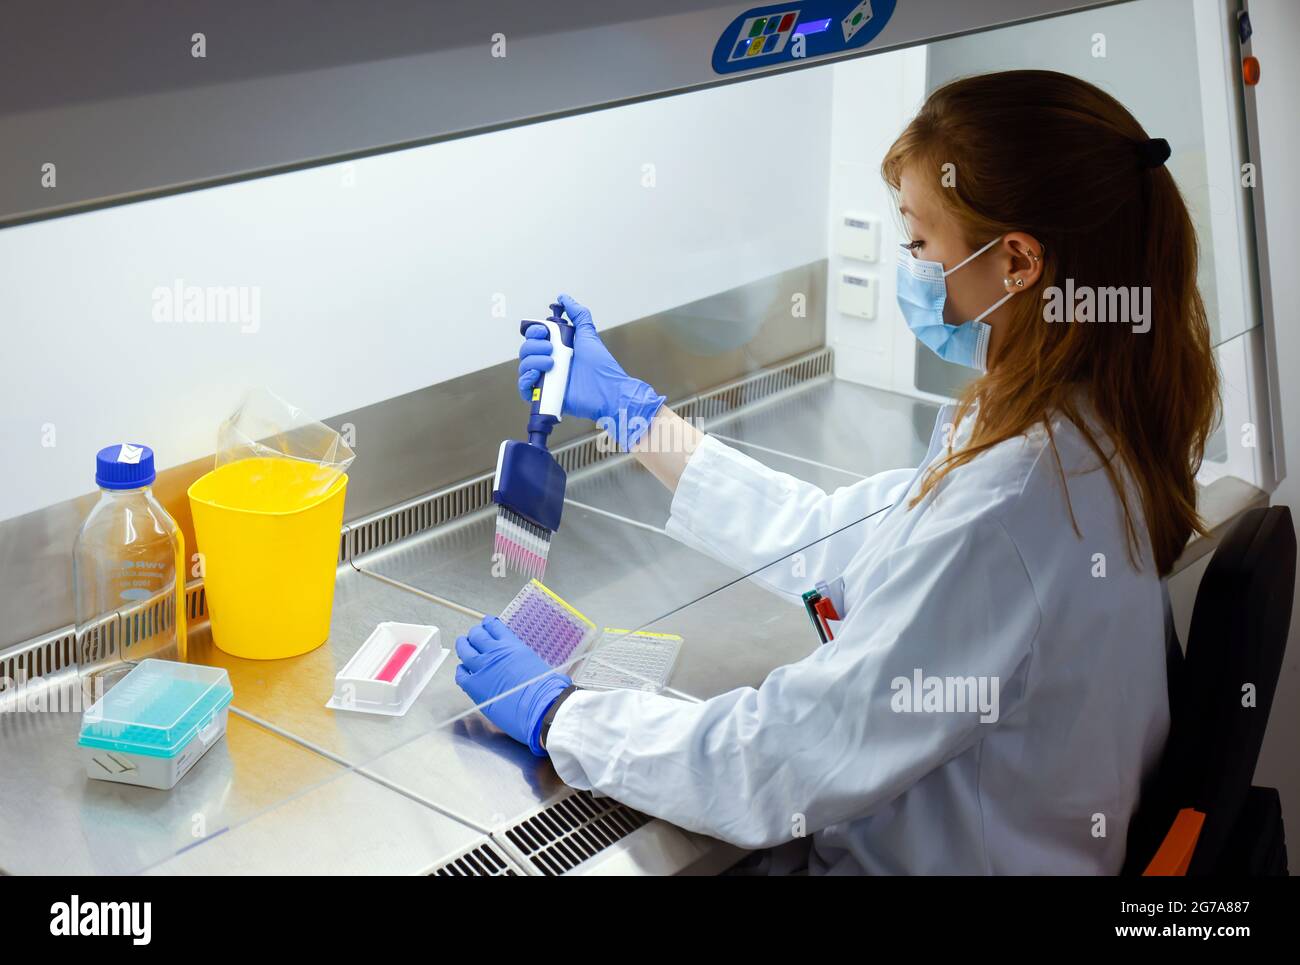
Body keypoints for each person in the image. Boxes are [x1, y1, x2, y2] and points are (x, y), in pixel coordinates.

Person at [455, 70, 1219, 874]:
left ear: (1018, 262)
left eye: (922, 243)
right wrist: (634, 415)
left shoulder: (1013, 502)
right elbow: (841, 538)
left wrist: (562, 715)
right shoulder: (1087, 420)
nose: (913, 268)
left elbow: (778, 760)